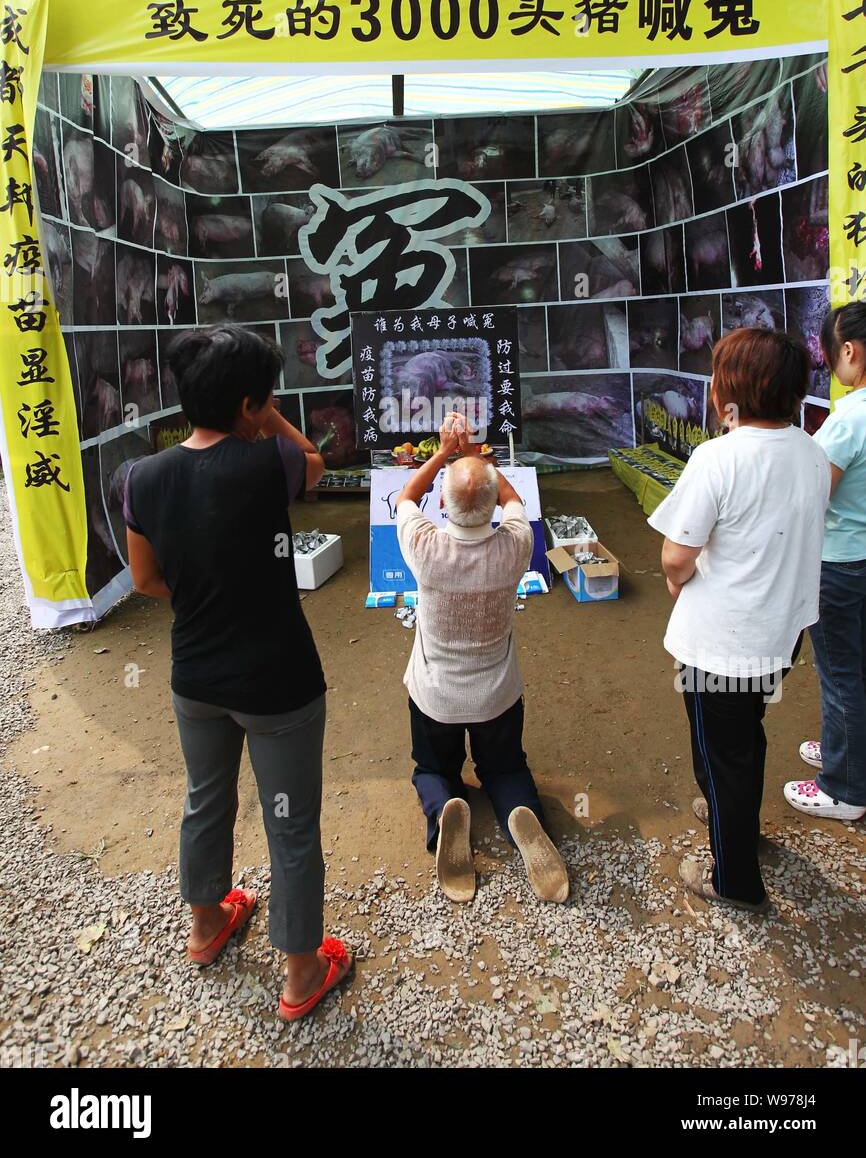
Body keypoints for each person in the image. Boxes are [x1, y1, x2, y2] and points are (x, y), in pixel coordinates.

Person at [123, 325, 351, 1020]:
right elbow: (314, 460)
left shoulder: (141, 477)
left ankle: (205, 925)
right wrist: (267, 415)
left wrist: (202, 595)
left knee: (206, 799)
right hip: (277, 683)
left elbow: (144, 580)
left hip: (195, 681)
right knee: (289, 824)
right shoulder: (267, 464)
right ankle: (301, 972)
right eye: (267, 396)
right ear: (250, 404)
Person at [648, 328, 830, 911]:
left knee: (723, 749)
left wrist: (677, 582)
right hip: (779, 633)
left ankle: (735, 880)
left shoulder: (718, 457)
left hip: (721, 643)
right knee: (743, 736)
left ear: (734, 387)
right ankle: (732, 813)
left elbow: (677, 554)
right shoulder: (810, 450)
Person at [395, 413, 569, 904]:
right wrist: (479, 454)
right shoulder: (515, 546)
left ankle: (444, 806)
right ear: (491, 502)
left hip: (435, 698)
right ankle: (519, 812)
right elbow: (514, 501)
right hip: (497, 696)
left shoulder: (426, 548)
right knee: (507, 767)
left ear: (444, 505)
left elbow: (406, 498)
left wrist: (446, 453)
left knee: (431, 768)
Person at [784, 303, 866, 822]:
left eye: (831, 355)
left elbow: (814, 498)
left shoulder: (849, 419)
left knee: (840, 674)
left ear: (850, 352)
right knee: (857, 668)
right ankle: (847, 751)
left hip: (839, 563)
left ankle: (844, 786)